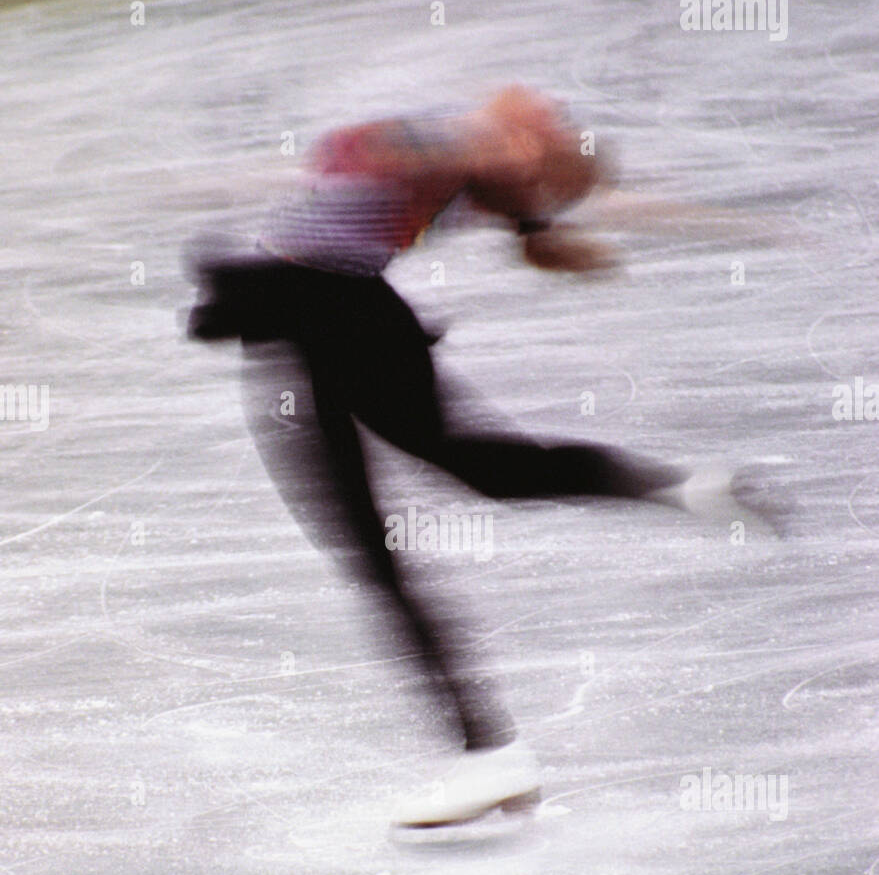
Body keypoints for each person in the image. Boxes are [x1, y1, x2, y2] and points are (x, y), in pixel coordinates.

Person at [186, 85, 766, 829]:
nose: (541, 106)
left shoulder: (448, 153)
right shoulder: (461, 167)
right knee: (482, 472)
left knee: (377, 549)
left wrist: (514, 153)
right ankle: (679, 488)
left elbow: (368, 150)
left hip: (328, 327)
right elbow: (383, 158)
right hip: (344, 321)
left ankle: (485, 755)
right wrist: (527, 193)